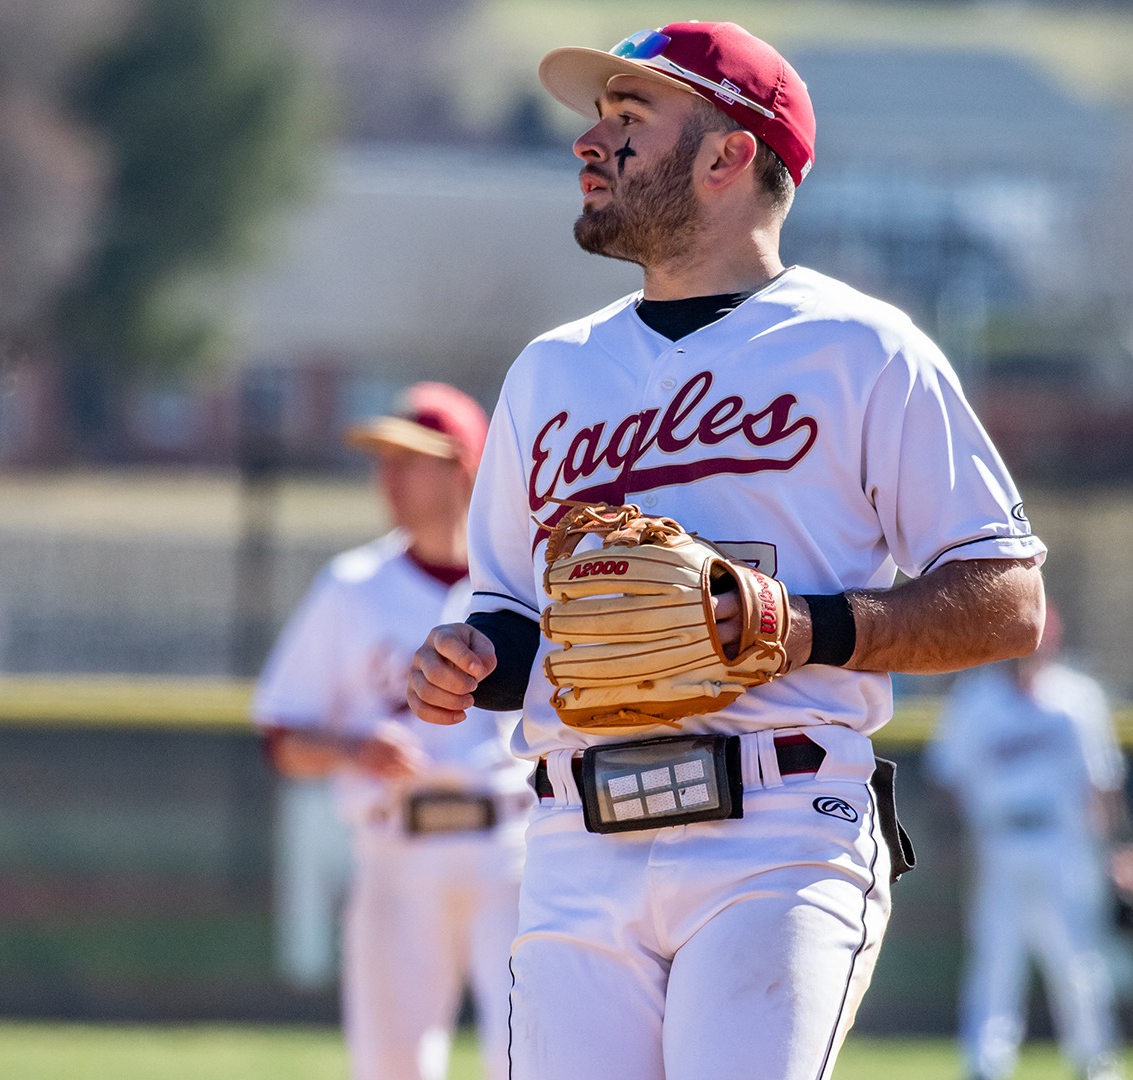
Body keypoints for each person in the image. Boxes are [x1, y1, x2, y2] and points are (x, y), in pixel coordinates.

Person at [405, 22, 1048, 1080]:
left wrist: (809, 627)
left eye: (630, 119)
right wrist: (467, 658)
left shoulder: (862, 349)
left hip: (779, 830)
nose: (592, 143)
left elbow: (1006, 598)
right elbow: (515, 616)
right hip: (577, 833)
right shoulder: (551, 372)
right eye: (598, 118)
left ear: (727, 154)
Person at [252, 383, 528, 1080]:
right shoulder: (354, 586)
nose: (389, 477)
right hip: (399, 849)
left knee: (535, 1062)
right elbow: (280, 735)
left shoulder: (527, 584)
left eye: (410, 460)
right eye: (383, 460)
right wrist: (351, 748)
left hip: (519, 852)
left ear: (466, 466)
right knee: (390, 1070)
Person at [929, 605, 1133, 1080]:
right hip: (999, 843)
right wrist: (950, 846)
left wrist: (1120, 848)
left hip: (1064, 844)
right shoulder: (975, 699)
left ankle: (1096, 1061)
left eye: (1037, 640)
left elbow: (1104, 783)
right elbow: (947, 780)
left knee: (1078, 958)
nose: (1029, 651)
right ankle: (986, 1064)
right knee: (996, 958)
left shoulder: (1078, 698)